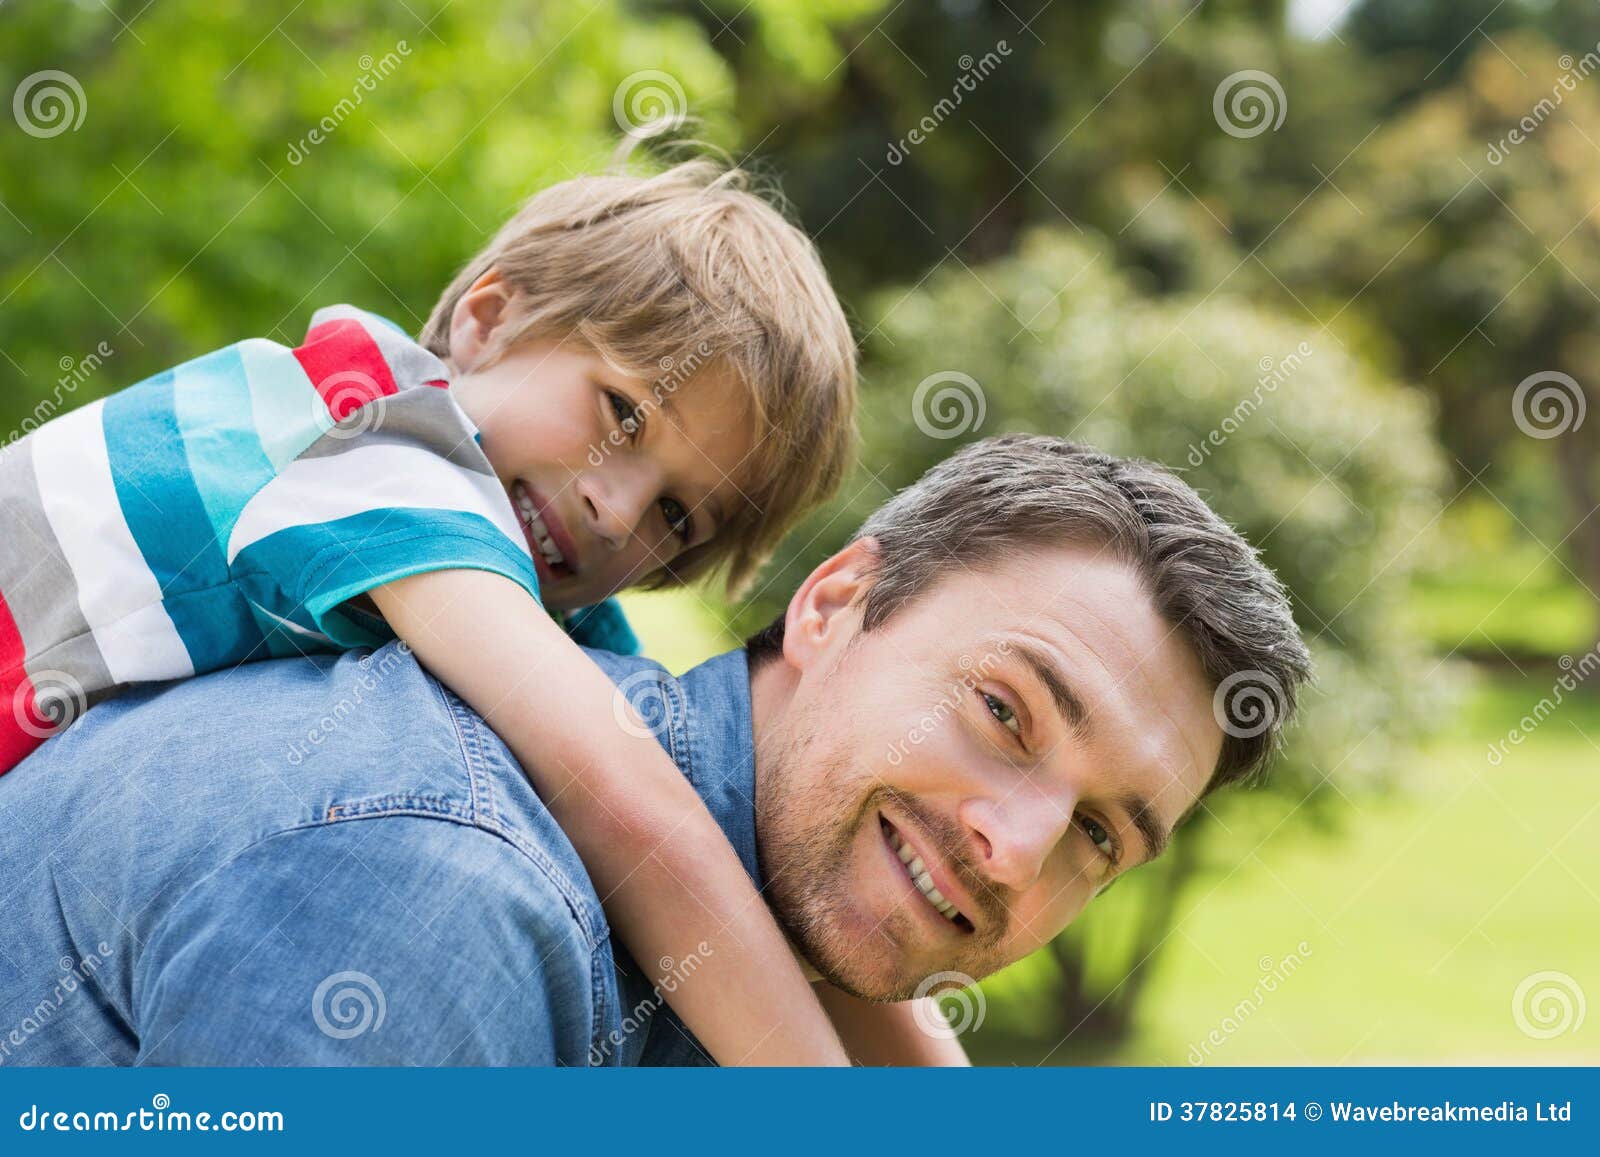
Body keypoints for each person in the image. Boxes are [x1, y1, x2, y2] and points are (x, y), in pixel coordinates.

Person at [0, 435, 1312, 1065]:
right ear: (834, 603)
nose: (1015, 851)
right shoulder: (436, 893)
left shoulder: (748, 953)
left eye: (1098, 833)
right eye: (1006, 711)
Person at [0, 160, 866, 1065]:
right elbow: (627, 796)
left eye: (676, 515)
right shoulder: (374, 434)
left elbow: (698, 798)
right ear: (487, 321)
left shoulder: (527, 583)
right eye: (622, 412)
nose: (616, 511)